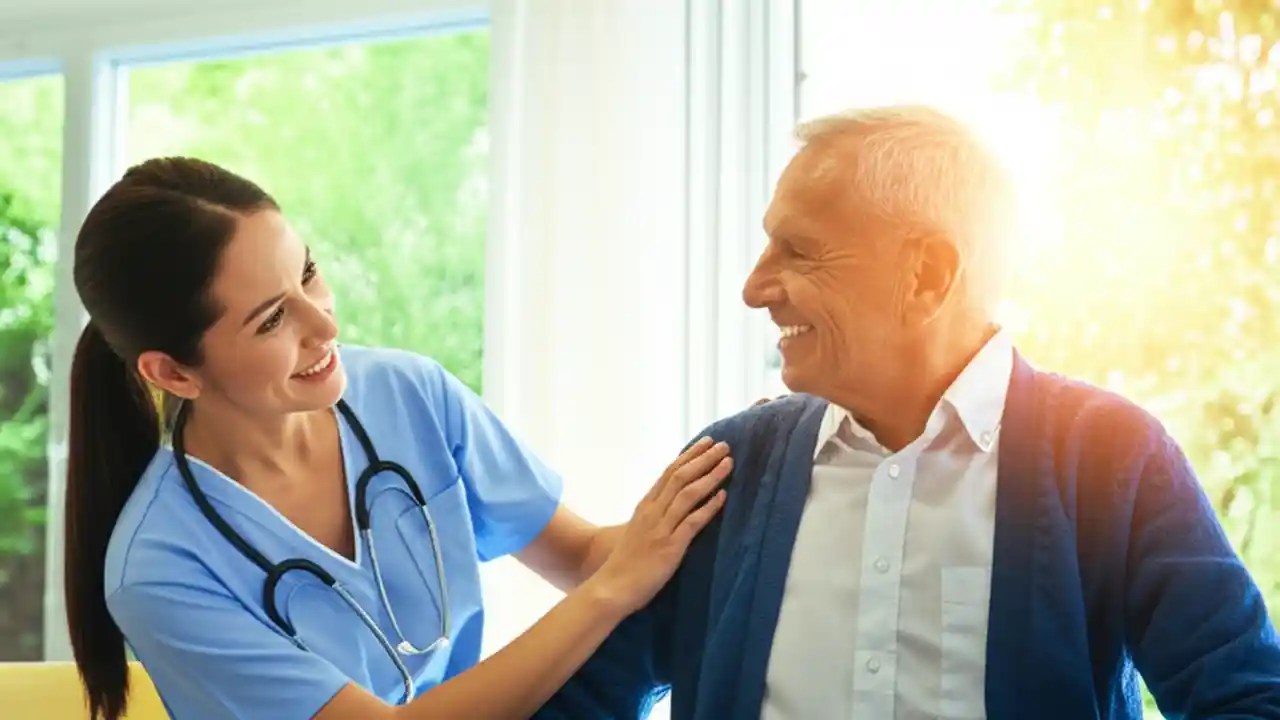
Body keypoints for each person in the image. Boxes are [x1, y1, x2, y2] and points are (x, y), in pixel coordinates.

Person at [534, 105, 1280, 719]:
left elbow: (1245, 700)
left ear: (927, 274)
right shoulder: (728, 470)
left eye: (798, 252)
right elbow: (578, 703)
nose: (756, 289)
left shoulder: (1110, 455)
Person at [64, 157, 733, 720]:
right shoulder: (158, 569)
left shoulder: (409, 395)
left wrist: (718, 493)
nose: (322, 326)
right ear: (174, 371)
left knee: (717, 535)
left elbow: (586, 555)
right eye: (272, 321)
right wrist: (614, 588)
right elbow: (606, 583)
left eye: (306, 274)